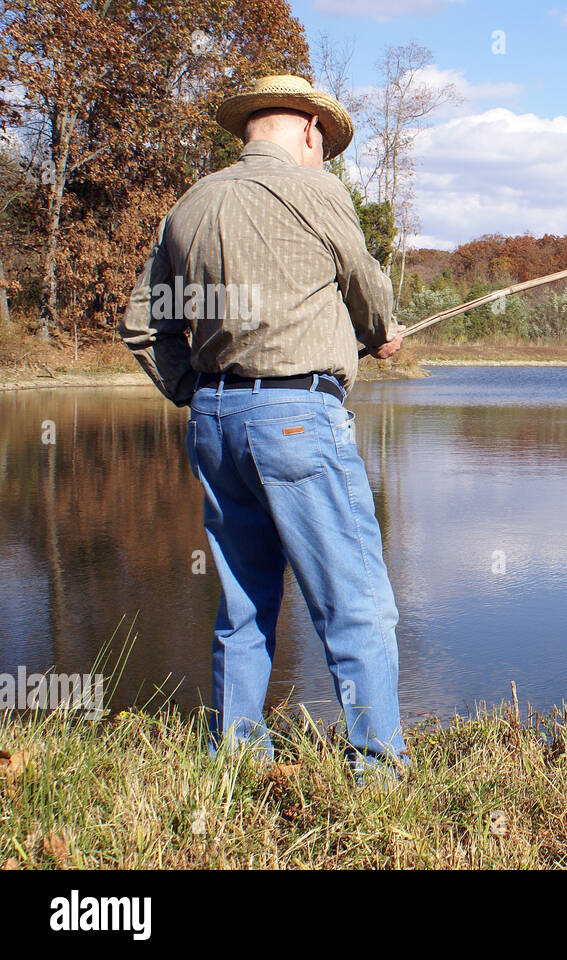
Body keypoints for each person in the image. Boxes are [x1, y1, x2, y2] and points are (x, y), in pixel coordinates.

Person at [120, 74, 408, 778]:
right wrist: (382, 333)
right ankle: (377, 770)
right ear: (308, 128)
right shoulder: (318, 192)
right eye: (325, 145)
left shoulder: (188, 205)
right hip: (297, 421)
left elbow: (141, 327)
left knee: (244, 603)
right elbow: (368, 291)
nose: (325, 156)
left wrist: (197, 390)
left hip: (217, 425)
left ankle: (236, 756)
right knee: (356, 604)